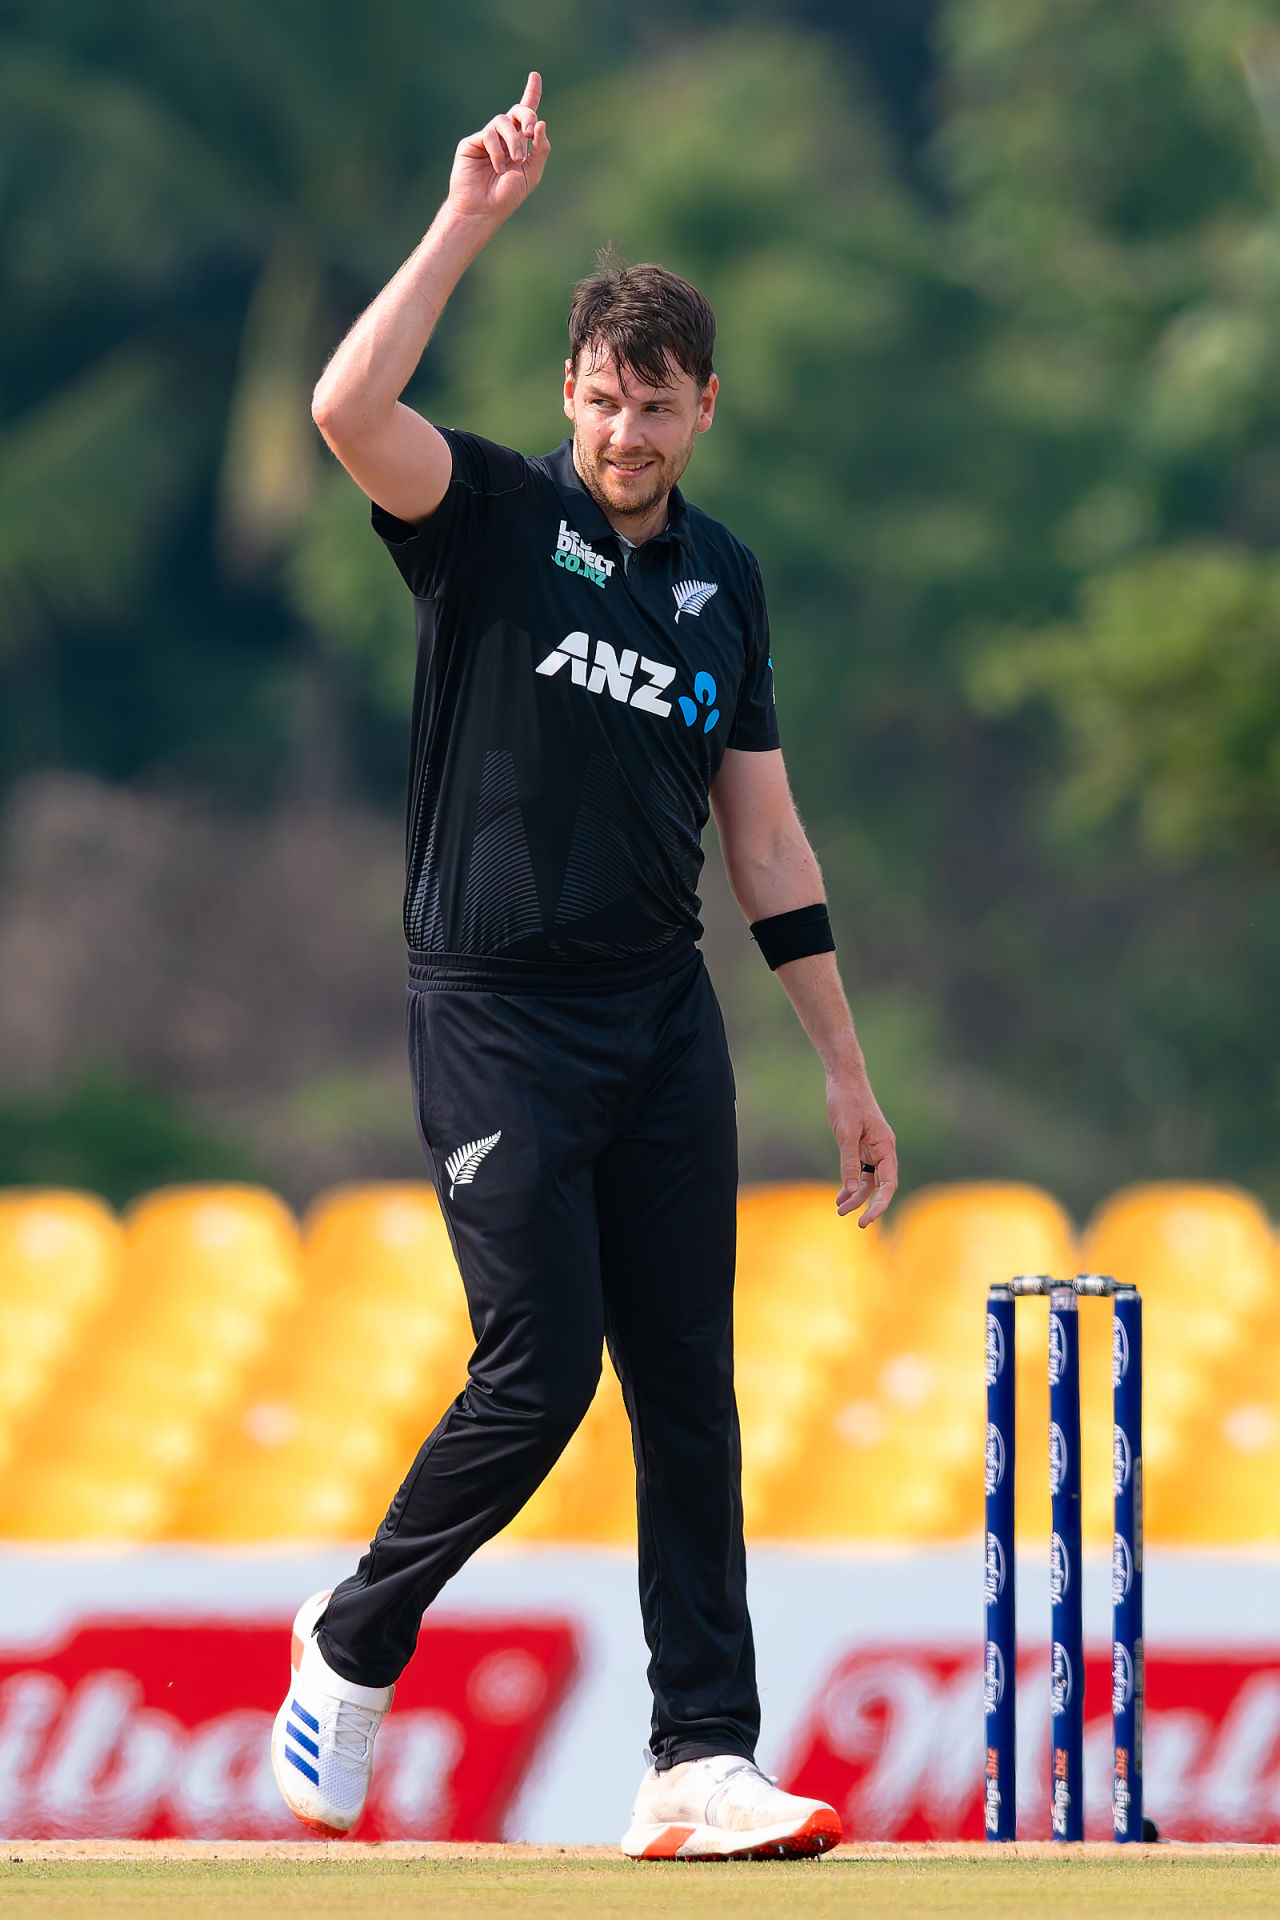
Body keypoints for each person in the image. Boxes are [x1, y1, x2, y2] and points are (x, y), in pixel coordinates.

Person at [270, 71, 898, 1862]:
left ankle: (702, 1754)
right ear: (571, 396)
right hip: (492, 1011)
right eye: (604, 400)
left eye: (659, 405)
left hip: (659, 1022)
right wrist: (471, 216)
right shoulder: (484, 521)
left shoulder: (724, 586)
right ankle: (354, 1633)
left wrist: (845, 1070)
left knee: (689, 1394)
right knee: (539, 1372)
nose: (627, 432)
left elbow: (764, 843)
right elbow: (341, 405)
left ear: (709, 407)